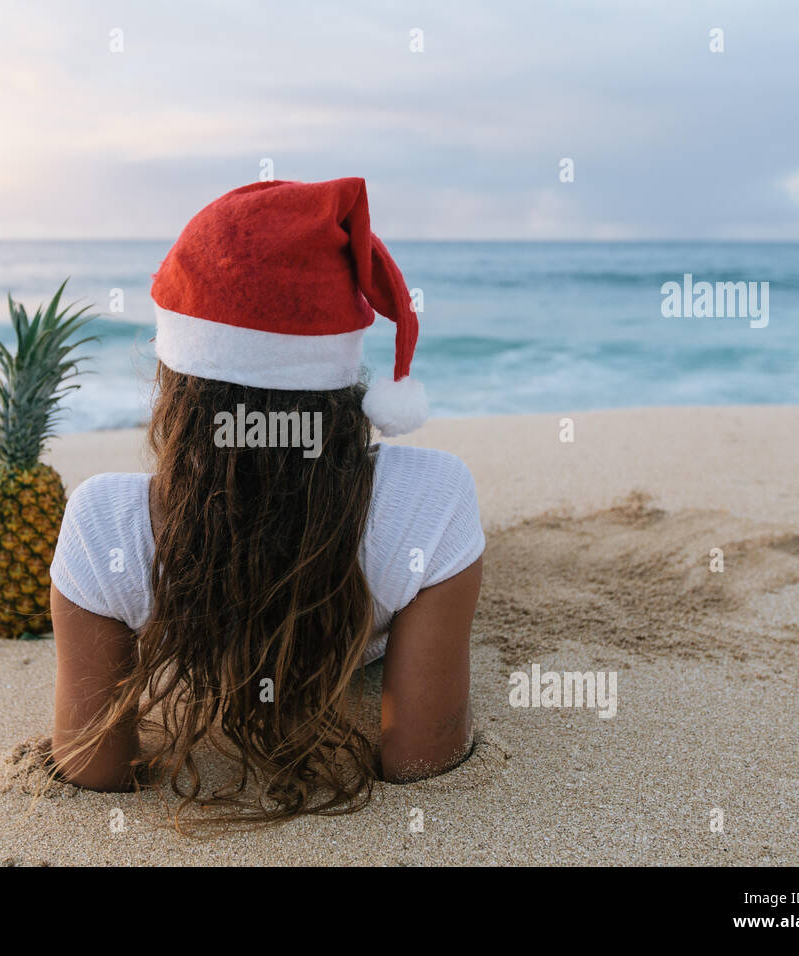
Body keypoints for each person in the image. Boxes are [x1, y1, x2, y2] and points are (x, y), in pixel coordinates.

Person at [48, 178, 485, 827]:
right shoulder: (430, 498)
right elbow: (421, 759)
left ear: (174, 382)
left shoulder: (103, 523)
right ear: (342, 377)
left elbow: (94, 767)